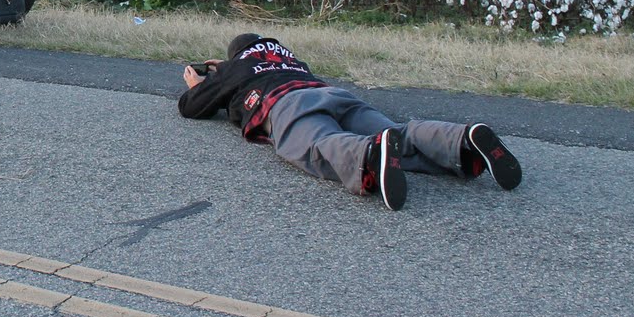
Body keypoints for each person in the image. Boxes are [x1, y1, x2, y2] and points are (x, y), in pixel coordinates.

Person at [176, 33, 522, 210]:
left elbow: (193, 107)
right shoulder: (293, 60)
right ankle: (462, 142)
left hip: (287, 105)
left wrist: (201, 84)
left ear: (234, 55)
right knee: (395, 134)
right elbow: (263, 66)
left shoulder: (237, 67)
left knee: (317, 144)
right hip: (334, 95)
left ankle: (366, 158)